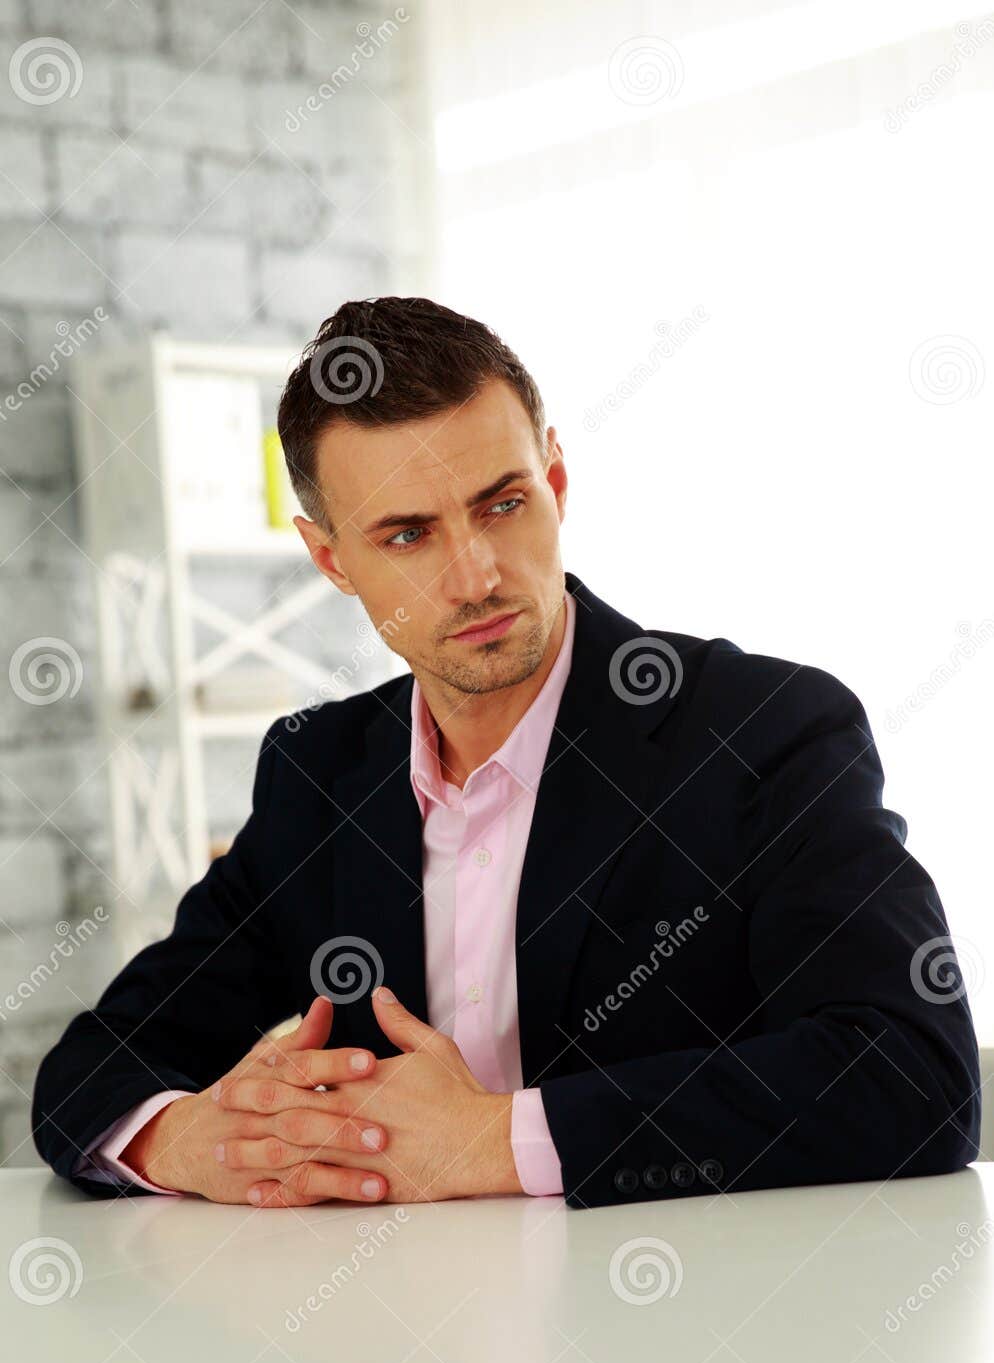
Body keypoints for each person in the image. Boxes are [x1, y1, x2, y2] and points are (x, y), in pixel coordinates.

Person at [31, 297, 981, 1210]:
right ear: (331, 561)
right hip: (404, 1352)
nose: (475, 575)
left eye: (501, 505)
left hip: (692, 1340)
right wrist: (193, 1139)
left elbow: (913, 1073)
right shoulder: (317, 772)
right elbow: (98, 1065)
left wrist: (488, 1140)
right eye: (407, 534)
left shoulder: (767, 729)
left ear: (555, 484)